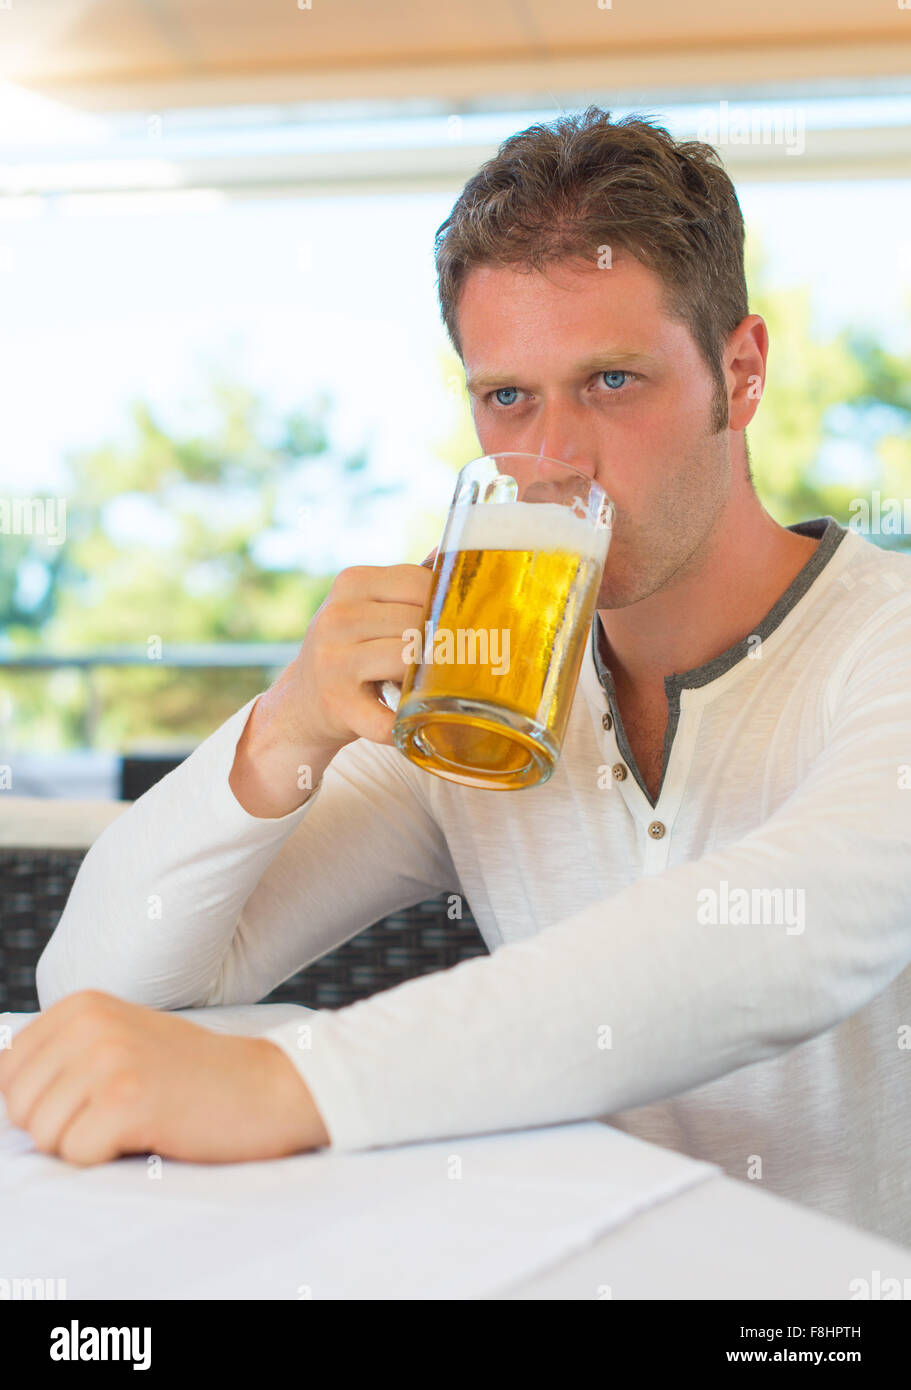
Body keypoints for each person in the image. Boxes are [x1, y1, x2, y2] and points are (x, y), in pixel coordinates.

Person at [6, 106, 911, 1247]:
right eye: (507, 397)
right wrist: (280, 729)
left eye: (613, 380)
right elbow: (106, 990)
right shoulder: (487, 702)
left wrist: (296, 1085)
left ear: (738, 373)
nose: (551, 458)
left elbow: (783, 937)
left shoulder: (886, 643)